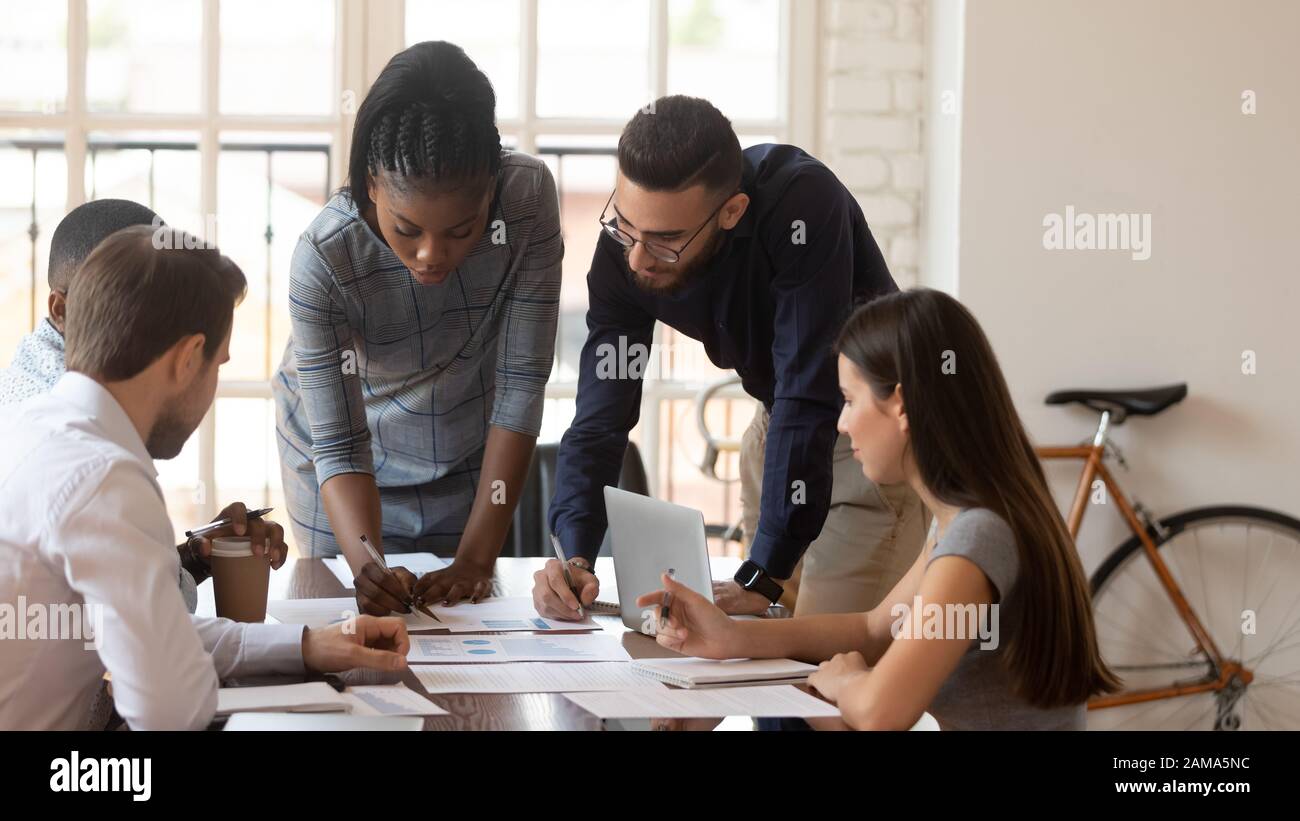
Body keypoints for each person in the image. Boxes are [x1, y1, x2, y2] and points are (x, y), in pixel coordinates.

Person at [635, 289, 1121, 730]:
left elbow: (880, 713)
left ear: (902, 406)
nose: (842, 425)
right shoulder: (966, 522)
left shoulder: (979, 538)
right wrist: (730, 639)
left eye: (848, 400)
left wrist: (846, 682)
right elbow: (871, 628)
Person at [0, 225, 410, 731]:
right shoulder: (104, 476)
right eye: (217, 364)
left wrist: (306, 645)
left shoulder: (26, 428)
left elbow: (150, 634)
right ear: (188, 357)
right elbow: (170, 709)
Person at [536, 95, 928, 622]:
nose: (636, 257)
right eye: (626, 225)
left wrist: (765, 571)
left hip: (869, 441)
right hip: (777, 435)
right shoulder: (625, 250)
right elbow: (601, 412)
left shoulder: (802, 204)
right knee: (751, 656)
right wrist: (573, 552)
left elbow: (807, 385)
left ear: (732, 211)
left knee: (827, 665)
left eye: (667, 239)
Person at [273, 41, 562, 615]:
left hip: (465, 447)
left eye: (462, 230)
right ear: (372, 185)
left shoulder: (527, 200)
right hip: (339, 462)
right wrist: (368, 565)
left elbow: (521, 385)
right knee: (362, 625)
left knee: (465, 628)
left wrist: (477, 559)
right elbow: (338, 442)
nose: (432, 254)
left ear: (491, 187)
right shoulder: (325, 256)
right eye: (407, 229)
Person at [0, 198, 283, 614]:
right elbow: (151, 618)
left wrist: (193, 554)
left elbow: (120, 589)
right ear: (62, 310)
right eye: (119, 297)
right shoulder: (74, 436)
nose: (147, 326)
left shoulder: (83, 398)